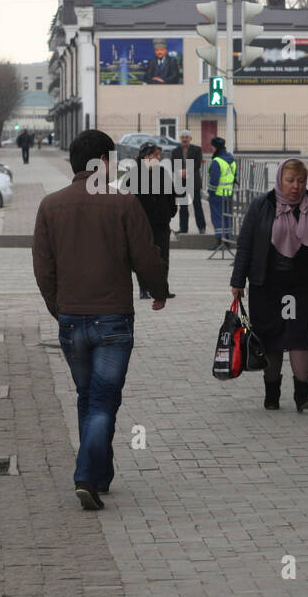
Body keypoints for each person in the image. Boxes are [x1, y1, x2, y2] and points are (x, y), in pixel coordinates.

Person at [33, 129, 170, 511]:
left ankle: (100, 475)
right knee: (103, 400)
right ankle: (87, 475)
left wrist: (58, 308)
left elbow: (43, 268)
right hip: (112, 320)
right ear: (103, 162)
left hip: (71, 321)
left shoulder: (50, 205)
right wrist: (158, 290)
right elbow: (145, 254)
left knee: (88, 397)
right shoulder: (123, 204)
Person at [231, 159, 308, 412]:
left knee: (299, 337)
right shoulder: (261, 205)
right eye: (290, 180)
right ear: (280, 180)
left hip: (303, 285)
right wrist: (237, 281)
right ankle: (271, 394)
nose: (295, 187)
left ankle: (302, 395)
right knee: (270, 338)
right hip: (266, 284)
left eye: (301, 181)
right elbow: (246, 245)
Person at [134, 142, 177, 300]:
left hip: (161, 223)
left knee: (163, 257)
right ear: (146, 157)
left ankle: (162, 288)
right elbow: (129, 199)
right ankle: (143, 288)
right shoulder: (135, 174)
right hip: (142, 224)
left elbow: (171, 196)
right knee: (143, 256)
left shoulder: (162, 173)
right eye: (155, 155)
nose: (158, 158)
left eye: (159, 155)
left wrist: (170, 212)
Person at [172, 129, 206, 235]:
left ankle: (201, 227)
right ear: (180, 139)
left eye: (186, 137)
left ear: (190, 139)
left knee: (197, 205)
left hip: (194, 182)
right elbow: (173, 164)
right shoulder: (175, 151)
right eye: (182, 137)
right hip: (181, 182)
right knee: (183, 207)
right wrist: (179, 171)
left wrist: (187, 171)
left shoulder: (197, 149)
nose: (184, 139)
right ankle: (183, 229)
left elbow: (198, 164)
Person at [207, 136, 236, 243]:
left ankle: (220, 240)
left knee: (218, 217)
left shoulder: (217, 161)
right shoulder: (231, 159)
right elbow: (234, 176)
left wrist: (210, 193)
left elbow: (214, 180)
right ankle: (227, 239)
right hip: (229, 193)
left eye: (212, 146)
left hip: (218, 194)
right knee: (227, 217)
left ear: (215, 147)